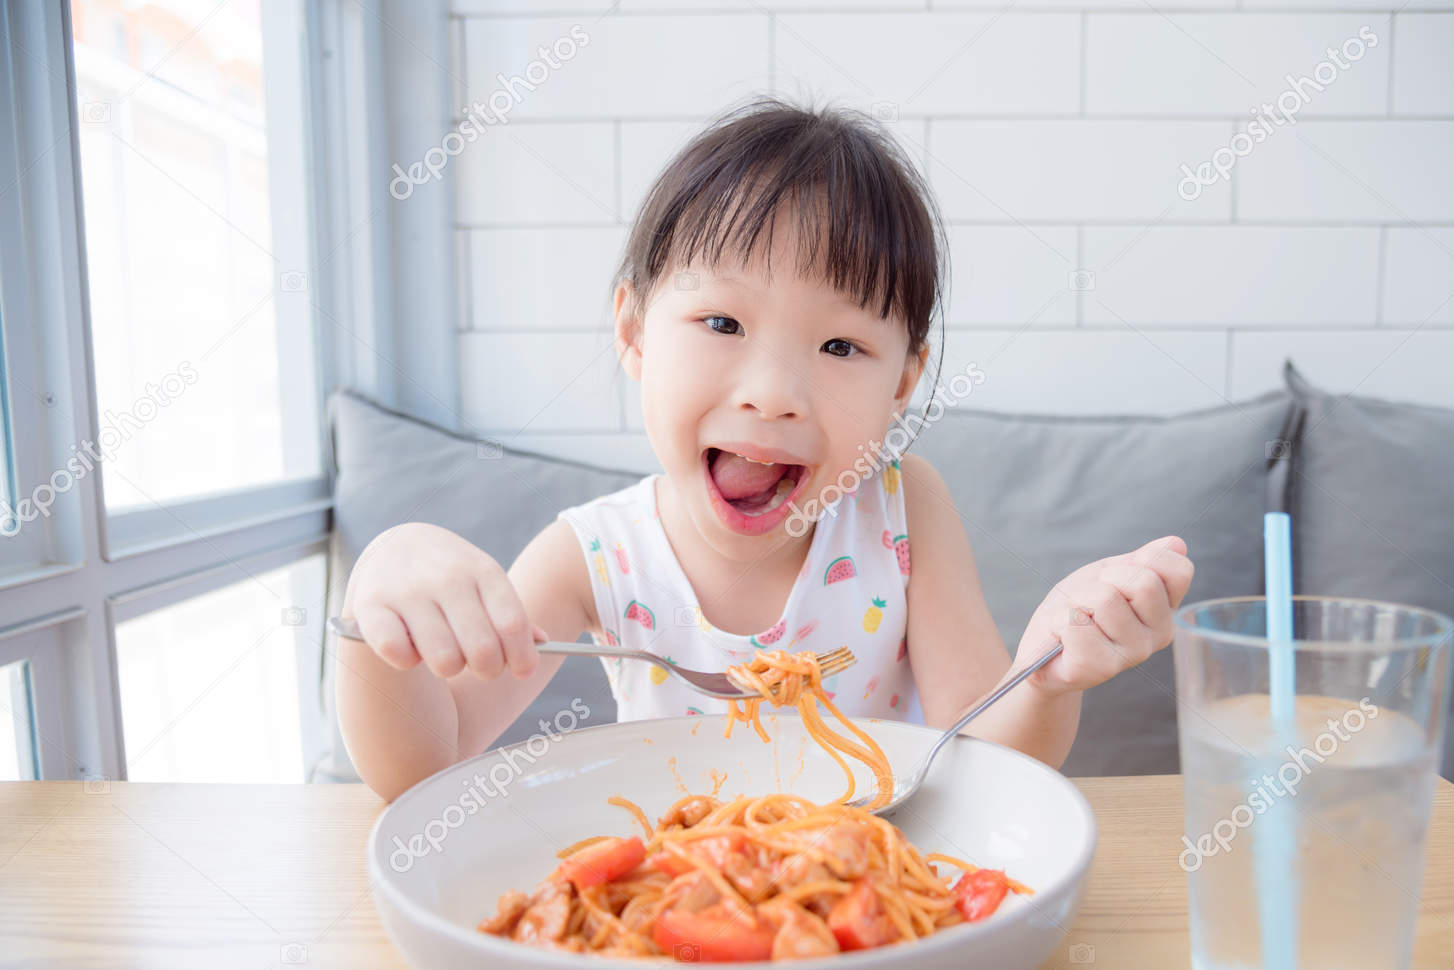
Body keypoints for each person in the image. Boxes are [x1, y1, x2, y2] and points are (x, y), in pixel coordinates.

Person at [336, 99, 1193, 802]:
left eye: (841, 348)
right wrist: (376, 604)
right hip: (677, 910)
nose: (773, 392)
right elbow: (425, 767)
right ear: (635, 332)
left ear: (903, 382)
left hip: (873, 893)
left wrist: (1045, 674)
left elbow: (988, 755)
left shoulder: (904, 509)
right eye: (723, 323)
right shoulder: (593, 556)